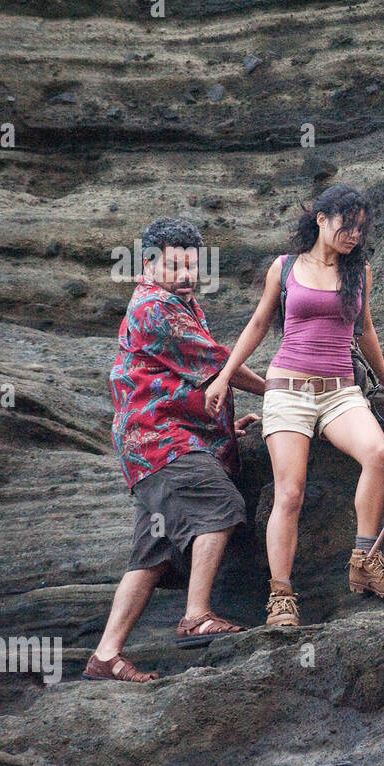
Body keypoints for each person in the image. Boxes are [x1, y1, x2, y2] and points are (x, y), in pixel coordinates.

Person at [205, 184, 384, 628]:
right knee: (290, 491)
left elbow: (364, 330)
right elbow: (258, 322)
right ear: (322, 219)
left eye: (362, 228)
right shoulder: (285, 267)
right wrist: (226, 375)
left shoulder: (358, 271)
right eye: (347, 224)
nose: (354, 234)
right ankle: (282, 597)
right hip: (287, 390)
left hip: (340, 391)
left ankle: (365, 560)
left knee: (378, 454)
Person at [89, 218, 266, 682]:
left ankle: (106, 655)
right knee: (221, 506)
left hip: (157, 444)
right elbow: (217, 365)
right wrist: (279, 393)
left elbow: (184, 379)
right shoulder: (155, 307)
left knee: (155, 550)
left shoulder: (180, 302)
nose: (187, 274)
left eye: (192, 265)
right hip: (159, 442)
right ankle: (196, 615)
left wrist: (224, 427)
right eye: (174, 265)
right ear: (148, 263)